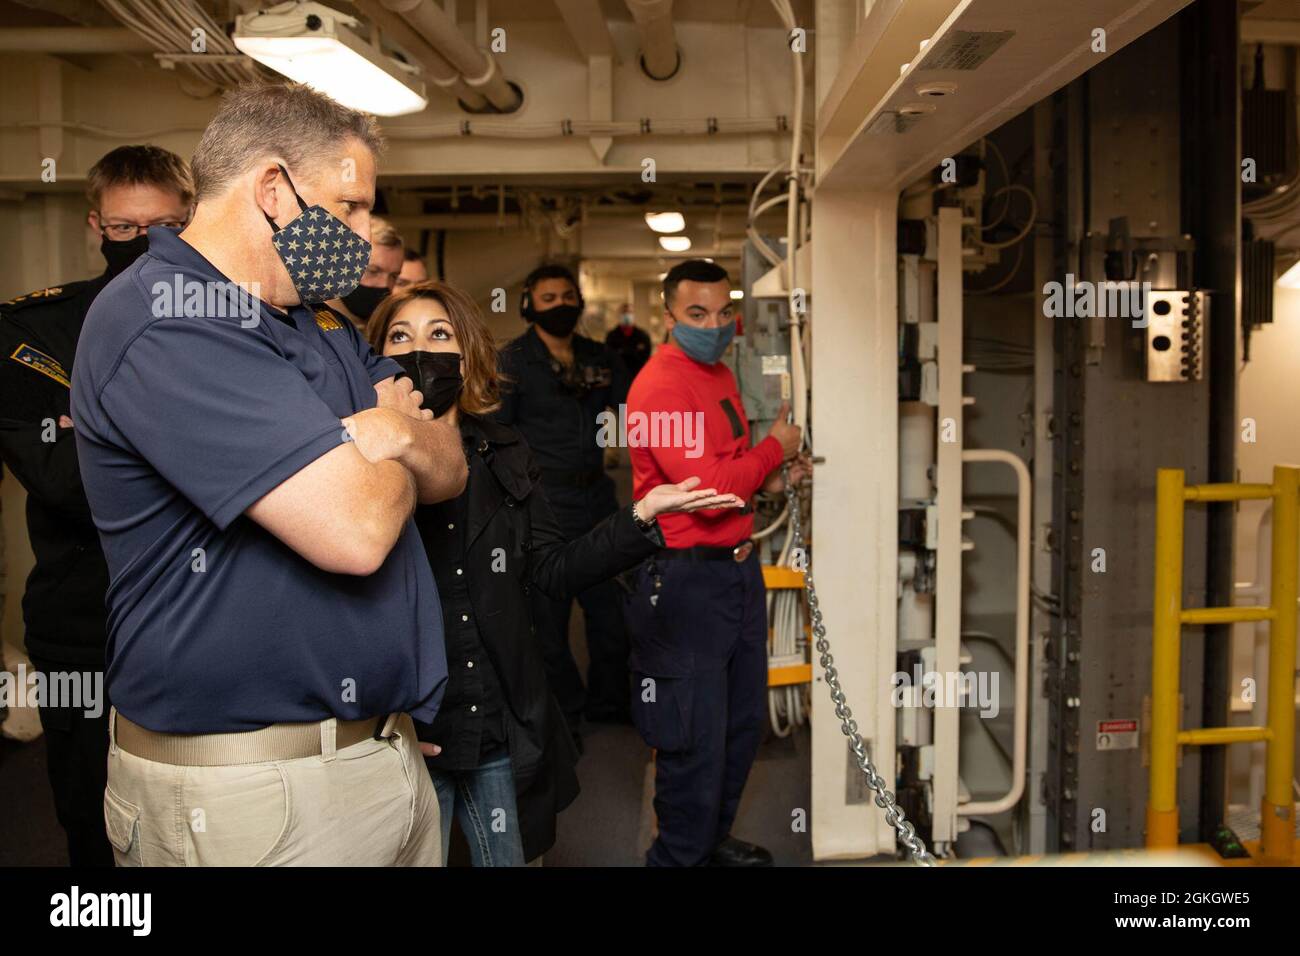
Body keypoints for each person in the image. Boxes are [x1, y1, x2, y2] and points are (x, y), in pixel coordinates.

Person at [70, 82, 467, 867]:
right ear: (274, 189)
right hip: (255, 794)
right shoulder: (166, 318)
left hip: (380, 753)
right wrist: (396, 444)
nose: (363, 233)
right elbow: (354, 533)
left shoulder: (317, 319)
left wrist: (388, 434)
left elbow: (450, 460)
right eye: (349, 208)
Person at [366, 279, 740, 864]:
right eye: (399, 336)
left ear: (467, 355)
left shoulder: (505, 450)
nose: (421, 350)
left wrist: (641, 514)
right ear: (376, 357)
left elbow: (552, 569)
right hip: (410, 729)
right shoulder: (362, 462)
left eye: (439, 334)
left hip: (496, 716)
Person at [0, 144, 193, 867]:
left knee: (200, 825)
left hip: (202, 622)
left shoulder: (233, 317)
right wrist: (185, 438)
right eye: (123, 229)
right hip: (85, 627)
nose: (142, 244)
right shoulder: (30, 332)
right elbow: (67, 483)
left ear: (193, 220)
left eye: (165, 227)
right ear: (95, 225)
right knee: (94, 827)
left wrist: (109, 429)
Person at [624, 258, 810, 867]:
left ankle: (709, 844)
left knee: (739, 726)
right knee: (693, 741)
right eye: (696, 313)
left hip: (736, 568)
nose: (713, 323)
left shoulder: (719, 374)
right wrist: (773, 450)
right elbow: (710, 488)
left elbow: (735, 467)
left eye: (722, 312)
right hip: (686, 579)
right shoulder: (660, 386)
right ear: (669, 315)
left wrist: (776, 475)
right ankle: (678, 856)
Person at [496, 263, 634, 741]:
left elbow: (626, 414)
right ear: (529, 305)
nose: (560, 305)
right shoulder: (511, 362)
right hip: (543, 499)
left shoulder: (602, 357)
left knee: (610, 610)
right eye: (548, 298)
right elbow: (501, 435)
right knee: (548, 620)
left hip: (597, 494)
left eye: (567, 296)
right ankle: (565, 710)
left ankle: (609, 704)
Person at [328, 215, 404, 326]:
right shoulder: (303, 328)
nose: (385, 285)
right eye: (373, 271)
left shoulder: (385, 333)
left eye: (393, 276)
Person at [604, 302, 652, 379]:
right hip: (618, 378)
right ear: (619, 316)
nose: (626, 316)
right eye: (624, 313)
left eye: (629, 313)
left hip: (638, 377)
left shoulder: (642, 336)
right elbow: (609, 358)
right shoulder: (612, 336)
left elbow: (646, 358)